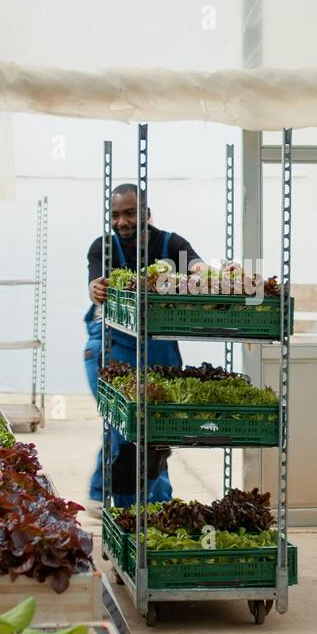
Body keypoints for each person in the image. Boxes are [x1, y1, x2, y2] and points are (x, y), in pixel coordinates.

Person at [83, 183, 207, 513]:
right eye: (115, 215)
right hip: (110, 344)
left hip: (158, 344)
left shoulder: (170, 243)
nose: (122, 222)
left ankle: (154, 502)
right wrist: (97, 288)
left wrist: (199, 272)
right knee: (126, 425)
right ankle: (126, 506)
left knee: (157, 429)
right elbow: (96, 284)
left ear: (147, 214)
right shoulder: (102, 247)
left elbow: (196, 264)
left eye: (129, 213)